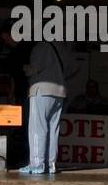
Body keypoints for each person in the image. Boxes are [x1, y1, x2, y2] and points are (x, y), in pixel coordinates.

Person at [20, 38, 71, 175]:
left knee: (38, 128)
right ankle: (51, 164)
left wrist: (23, 68)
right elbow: (73, 69)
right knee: (53, 129)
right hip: (59, 92)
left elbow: (34, 68)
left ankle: (37, 164)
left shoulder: (41, 47)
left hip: (41, 91)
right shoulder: (62, 48)